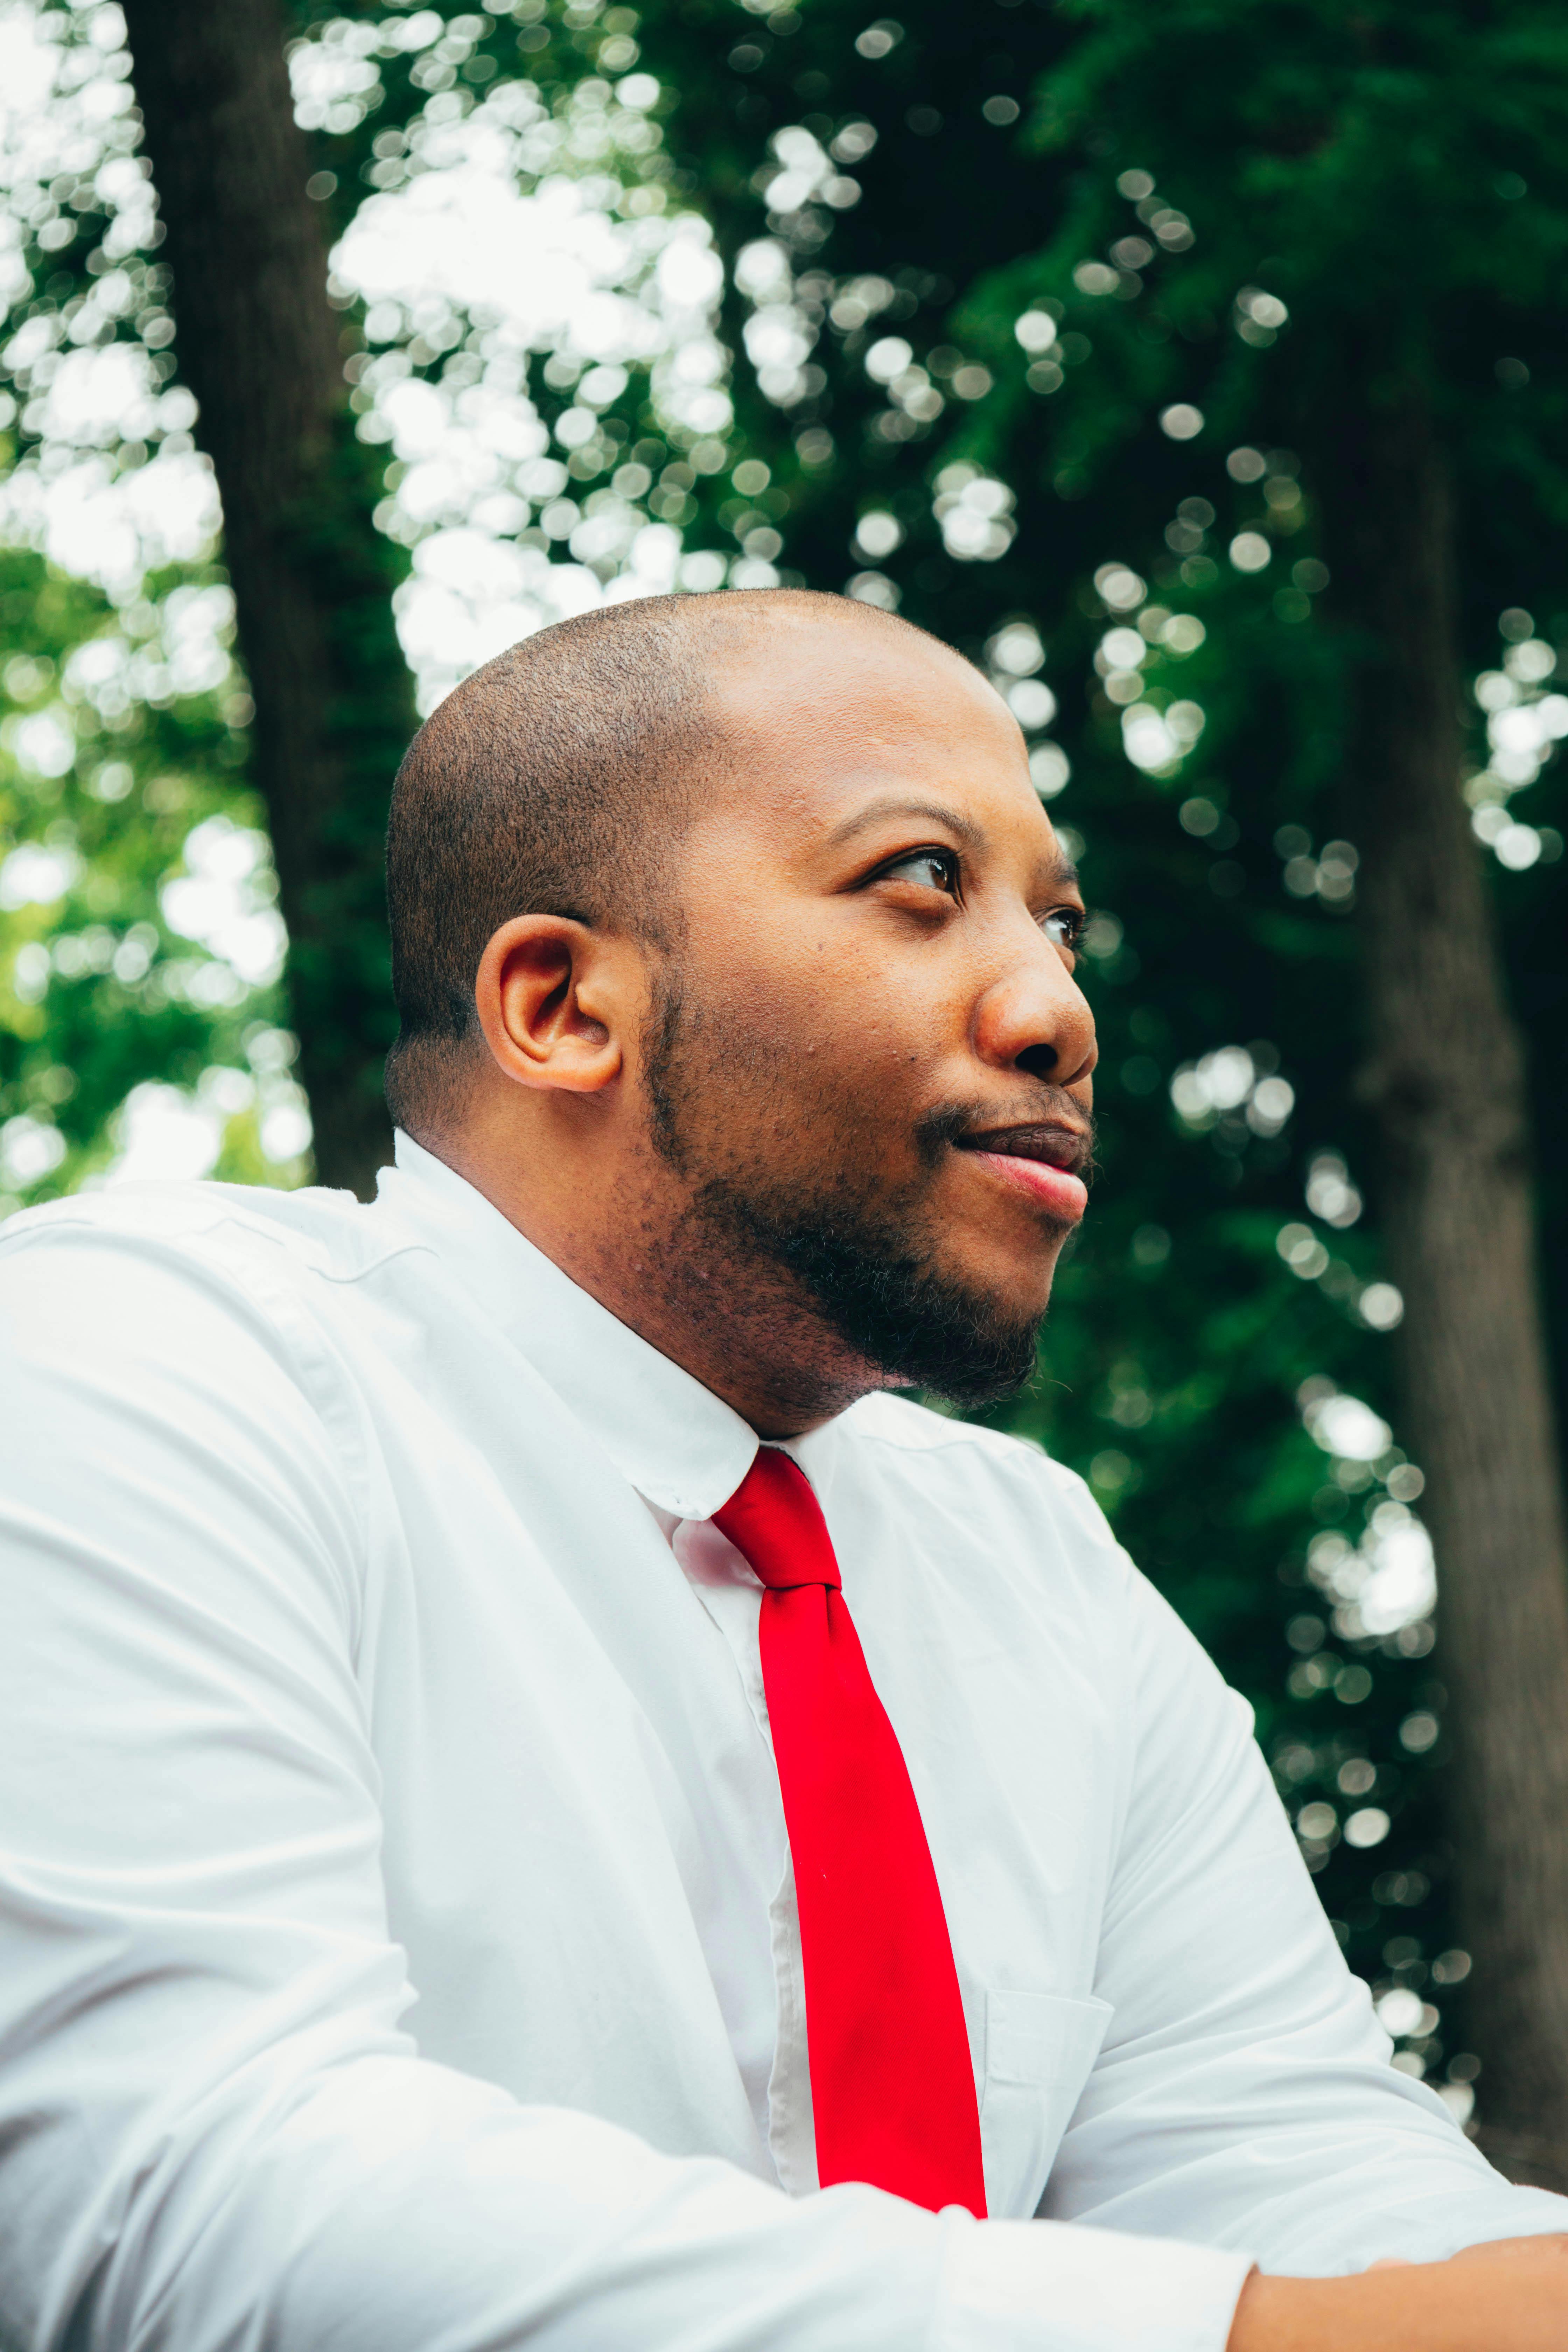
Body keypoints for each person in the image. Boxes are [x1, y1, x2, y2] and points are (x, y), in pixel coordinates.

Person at [0, 590, 1564, 2352]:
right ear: (562, 1003)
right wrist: (1256, 2338)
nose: (1057, 1010)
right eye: (920, 884)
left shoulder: (1033, 1564)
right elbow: (178, 2190)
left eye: (1061, 925)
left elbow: (1286, 2162)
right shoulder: (139, 1371)